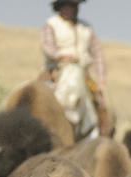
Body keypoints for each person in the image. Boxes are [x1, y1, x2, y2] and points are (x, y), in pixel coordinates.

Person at [41, 0, 110, 136]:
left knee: (104, 105)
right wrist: (60, 55)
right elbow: (47, 47)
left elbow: (97, 53)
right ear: (61, 7)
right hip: (58, 70)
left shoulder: (86, 28)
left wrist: (101, 79)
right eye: (70, 5)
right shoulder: (51, 24)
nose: (74, 9)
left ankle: (101, 133)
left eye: (76, 6)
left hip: (83, 73)